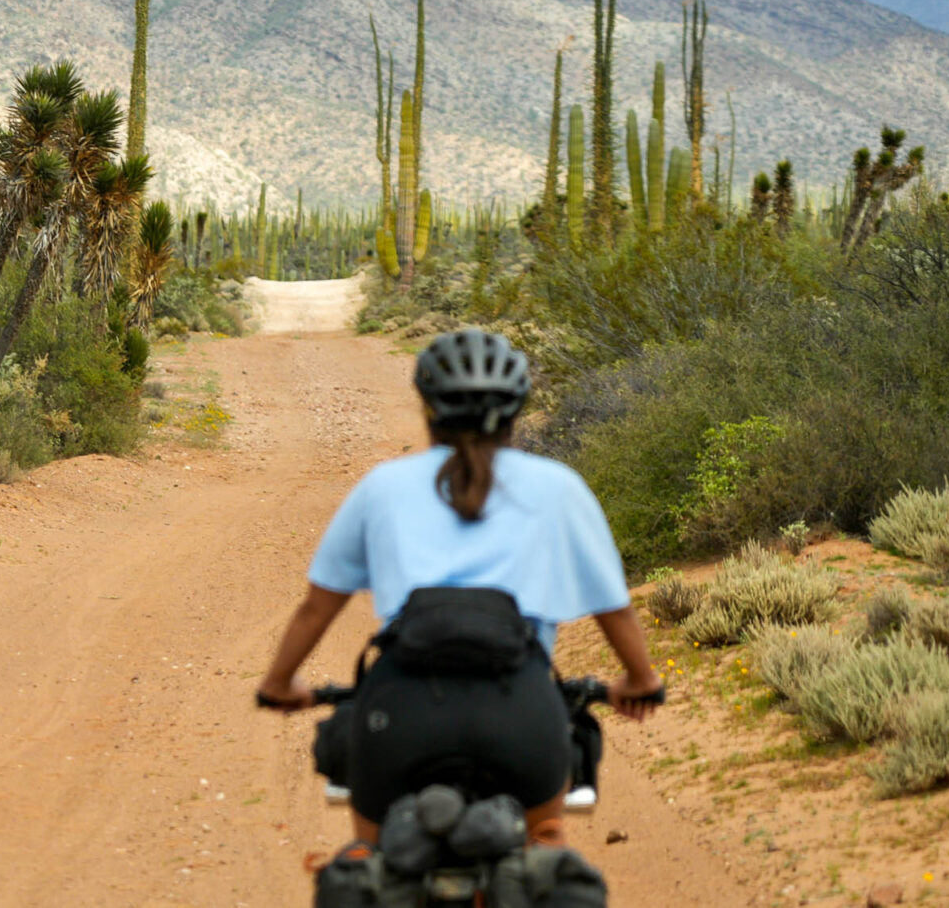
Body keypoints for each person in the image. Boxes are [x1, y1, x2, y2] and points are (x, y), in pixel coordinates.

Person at [256, 327, 660, 846]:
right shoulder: (560, 488)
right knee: (541, 865)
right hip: (522, 709)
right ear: (516, 411)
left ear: (428, 408)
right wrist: (641, 682)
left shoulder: (383, 486)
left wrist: (280, 685)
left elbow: (317, 608)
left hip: (402, 710)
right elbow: (616, 612)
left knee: (378, 864)